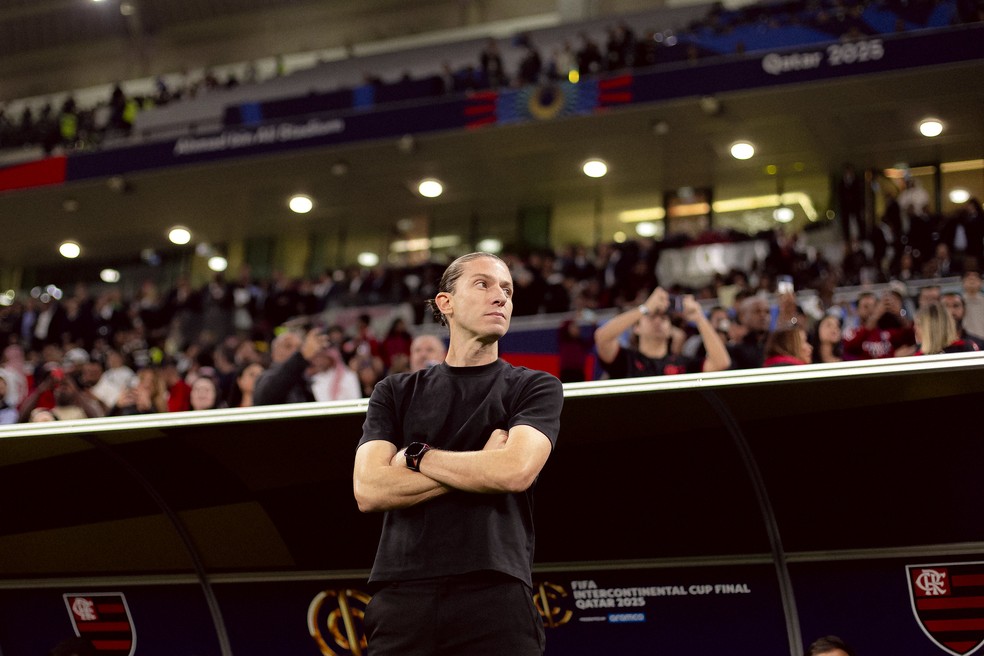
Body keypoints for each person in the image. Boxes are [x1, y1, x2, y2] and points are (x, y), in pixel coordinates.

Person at [353, 252, 563, 656]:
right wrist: (479, 465)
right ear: (445, 303)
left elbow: (514, 471)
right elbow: (369, 490)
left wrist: (415, 457)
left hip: (495, 592)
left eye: (507, 289)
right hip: (401, 595)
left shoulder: (536, 386)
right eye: (483, 284)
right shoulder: (394, 392)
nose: (500, 297)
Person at [594, 287, 731, 378]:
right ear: (636, 328)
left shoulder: (683, 364)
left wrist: (699, 318)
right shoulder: (626, 360)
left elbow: (721, 363)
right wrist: (645, 309)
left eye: (664, 318)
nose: (658, 321)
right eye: (652, 316)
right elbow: (602, 337)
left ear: (671, 329)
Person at [252, 327, 328, 405]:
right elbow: (268, 396)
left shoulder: (303, 382)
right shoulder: (266, 377)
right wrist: (301, 356)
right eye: (288, 346)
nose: (294, 351)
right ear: (274, 353)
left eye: (298, 348)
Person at [913, 302, 979, 355]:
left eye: (919, 324)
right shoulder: (919, 356)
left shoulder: (965, 349)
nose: (915, 328)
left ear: (931, 328)